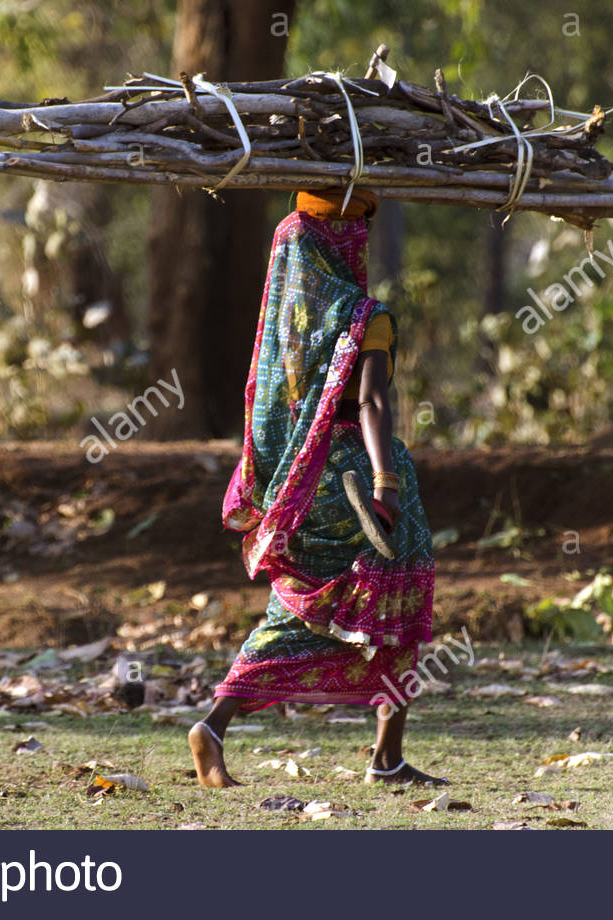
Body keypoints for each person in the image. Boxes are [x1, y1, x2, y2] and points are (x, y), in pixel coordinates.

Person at [188, 187, 445, 788]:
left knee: (301, 607)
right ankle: (386, 755)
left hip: (300, 486)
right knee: (399, 599)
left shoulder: (284, 332)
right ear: (344, 243)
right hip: (362, 476)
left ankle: (218, 723)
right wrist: (385, 484)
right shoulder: (366, 317)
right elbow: (374, 401)